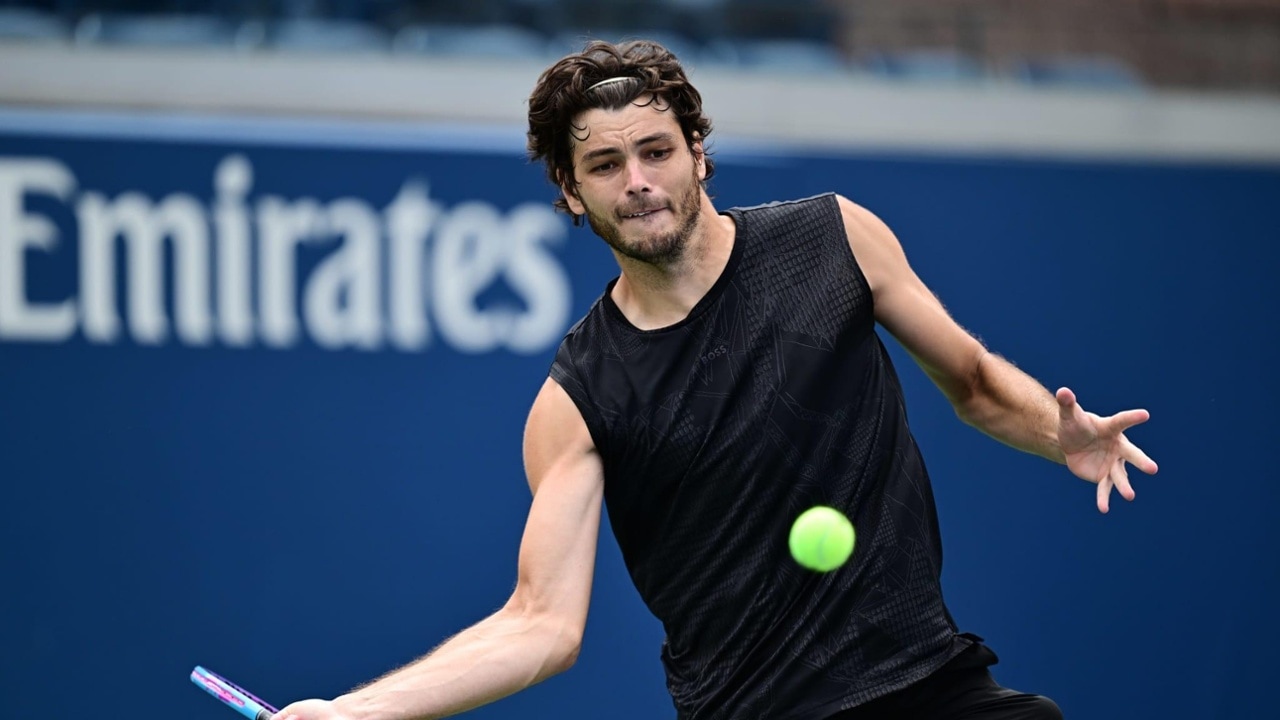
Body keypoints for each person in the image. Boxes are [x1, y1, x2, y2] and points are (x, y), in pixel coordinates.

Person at [272, 39, 1158, 720]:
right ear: (571, 192)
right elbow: (542, 621)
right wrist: (356, 709)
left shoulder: (833, 239)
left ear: (698, 152)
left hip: (931, 686)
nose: (639, 182)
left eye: (656, 151)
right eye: (605, 166)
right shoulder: (579, 399)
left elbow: (971, 379)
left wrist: (1058, 430)